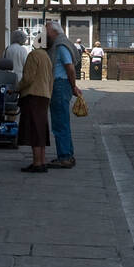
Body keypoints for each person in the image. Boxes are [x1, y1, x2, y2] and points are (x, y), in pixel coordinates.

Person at [45, 21, 82, 168]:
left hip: (60, 84)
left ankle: (65, 156)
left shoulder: (60, 46)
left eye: (46, 30)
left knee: (60, 123)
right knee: (61, 122)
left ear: (53, 32)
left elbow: (70, 67)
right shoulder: (58, 44)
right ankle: (67, 154)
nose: (45, 33)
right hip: (61, 84)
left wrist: (73, 86)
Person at [16, 38, 53, 173]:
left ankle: (37, 163)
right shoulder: (47, 57)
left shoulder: (33, 55)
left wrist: (17, 88)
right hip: (44, 95)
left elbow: (28, 78)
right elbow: (50, 79)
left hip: (33, 95)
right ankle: (42, 161)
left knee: (34, 129)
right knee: (41, 129)